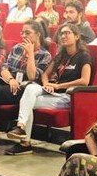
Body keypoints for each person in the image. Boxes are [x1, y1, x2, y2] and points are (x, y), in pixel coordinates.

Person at [5, 23, 92, 155]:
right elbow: (45, 74)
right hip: (54, 92)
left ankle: (24, 143)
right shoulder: (61, 55)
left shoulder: (83, 56)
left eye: (67, 33)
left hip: (69, 96)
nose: (63, 36)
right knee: (30, 88)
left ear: (76, 36)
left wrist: (58, 86)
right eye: (61, 33)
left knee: (27, 102)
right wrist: (46, 84)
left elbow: (84, 81)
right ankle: (20, 127)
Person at [0, 20, 52, 107]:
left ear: (38, 35)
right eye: (22, 33)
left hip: (23, 87)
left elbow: (32, 76)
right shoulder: (17, 48)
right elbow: (4, 68)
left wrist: (30, 53)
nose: (23, 36)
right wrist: (11, 80)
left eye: (27, 33)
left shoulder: (45, 55)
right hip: (9, 81)